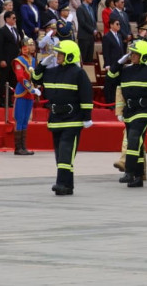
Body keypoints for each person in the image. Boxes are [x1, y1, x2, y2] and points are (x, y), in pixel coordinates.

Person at [31, 40, 93, 195]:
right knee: (60, 154)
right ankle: (67, 186)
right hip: (55, 119)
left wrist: (87, 117)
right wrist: (42, 65)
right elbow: (36, 79)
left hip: (73, 119)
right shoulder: (52, 72)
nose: (57, 56)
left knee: (66, 151)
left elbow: (86, 96)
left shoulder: (79, 73)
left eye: (61, 53)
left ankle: (61, 183)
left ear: (70, 56)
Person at [115, 40, 147, 188]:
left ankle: (129, 172)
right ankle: (138, 177)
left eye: (135, 53)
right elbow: (111, 78)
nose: (132, 56)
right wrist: (119, 63)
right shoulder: (126, 70)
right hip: (129, 112)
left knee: (133, 139)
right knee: (138, 143)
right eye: (131, 53)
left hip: (143, 111)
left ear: (143, 55)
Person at [12, 36, 40, 157]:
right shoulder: (18, 60)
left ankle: (24, 146)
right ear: (25, 47)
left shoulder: (33, 60)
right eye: (30, 45)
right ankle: (18, 147)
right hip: (22, 92)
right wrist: (31, 88)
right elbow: (20, 78)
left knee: (25, 120)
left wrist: (37, 87)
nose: (33, 47)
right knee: (20, 119)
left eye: (33, 45)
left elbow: (35, 76)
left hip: (30, 94)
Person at [0, 10, 22, 107]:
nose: (15, 20)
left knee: (12, 80)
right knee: (3, 81)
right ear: (7, 19)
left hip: (14, 61)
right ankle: (1, 101)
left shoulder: (15, 30)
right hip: (5, 60)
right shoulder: (2, 31)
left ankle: (9, 100)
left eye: (15, 18)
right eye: (13, 18)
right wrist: (1, 59)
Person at [102, 18, 125, 105]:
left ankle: (117, 102)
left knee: (118, 84)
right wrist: (107, 65)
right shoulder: (107, 37)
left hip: (119, 64)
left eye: (119, 24)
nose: (119, 26)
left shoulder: (119, 36)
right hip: (112, 64)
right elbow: (106, 52)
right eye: (117, 24)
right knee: (110, 85)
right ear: (111, 25)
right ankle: (110, 103)